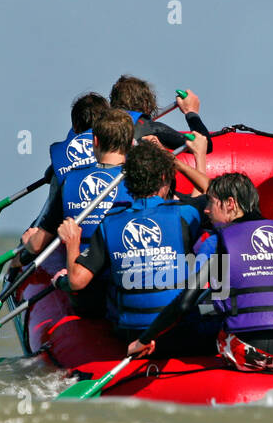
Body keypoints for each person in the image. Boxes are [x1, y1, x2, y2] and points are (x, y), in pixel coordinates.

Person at [128, 173, 273, 372]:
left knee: (197, 314)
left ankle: (145, 350)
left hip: (246, 353)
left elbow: (184, 302)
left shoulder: (218, 241)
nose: (206, 209)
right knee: (217, 302)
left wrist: (147, 338)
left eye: (212, 202)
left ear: (230, 203)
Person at [58, 141, 209, 356]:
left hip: (132, 335)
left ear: (128, 181)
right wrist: (185, 165)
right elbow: (213, 193)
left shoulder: (109, 222)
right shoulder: (187, 213)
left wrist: (72, 243)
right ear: (166, 178)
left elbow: (76, 281)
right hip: (181, 332)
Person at [22, 109, 135, 256]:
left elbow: (37, 245)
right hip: (123, 266)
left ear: (95, 141)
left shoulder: (70, 181)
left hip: (81, 266)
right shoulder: (140, 179)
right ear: (131, 143)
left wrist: (28, 241)